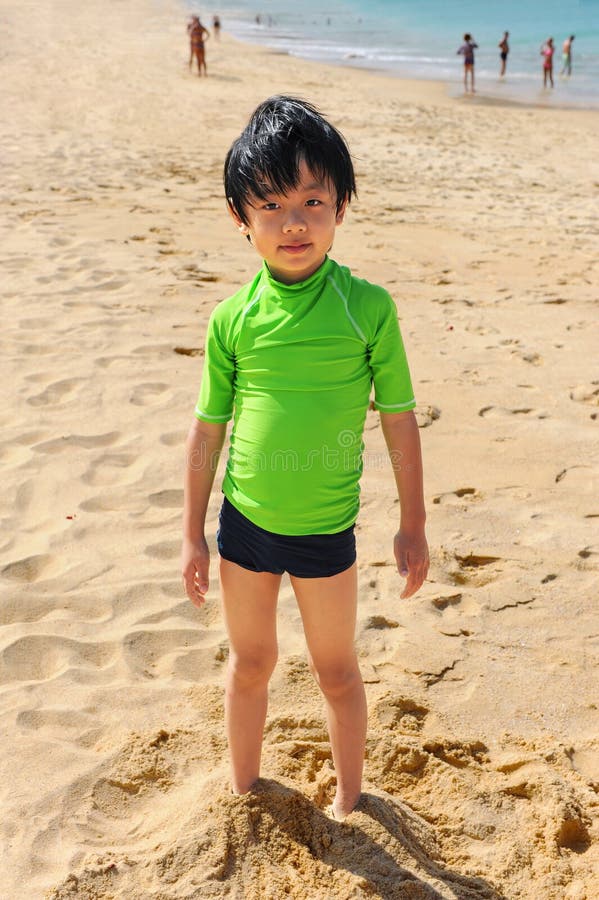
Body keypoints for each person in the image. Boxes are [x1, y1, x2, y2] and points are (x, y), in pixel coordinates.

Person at [181, 96, 429, 821]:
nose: (294, 222)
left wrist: (412, 523)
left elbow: (399, 421)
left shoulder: (366, 307)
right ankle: (243, 788)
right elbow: (207, 432)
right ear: (241, 219)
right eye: (270, 204)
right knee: (250, 663)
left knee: (336, 670)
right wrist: (190, 533)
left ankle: (350, 800)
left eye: (313, 200)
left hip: (326, 530)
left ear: (340, 207)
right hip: (246, 525)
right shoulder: (233, 317)